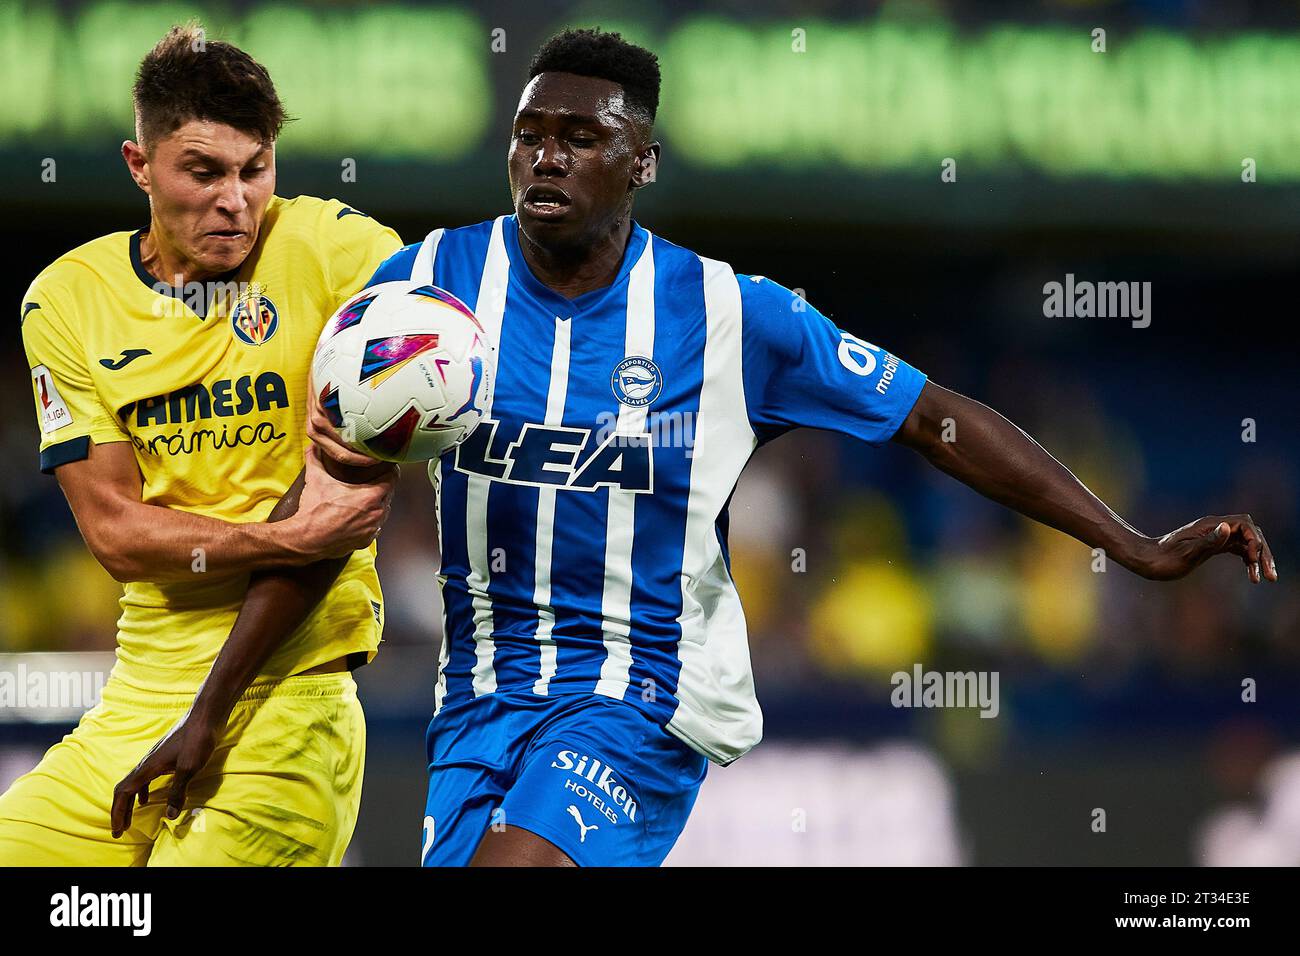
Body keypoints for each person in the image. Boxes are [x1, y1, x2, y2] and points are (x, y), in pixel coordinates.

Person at [190, 28, 1281, 867]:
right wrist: (208, 711)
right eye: (530, 133)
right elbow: (316, 515)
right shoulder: (422, 292)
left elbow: (932, 417)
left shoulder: (728, 315)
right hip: (479, 695)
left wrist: (1129, 544)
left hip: (647, 692)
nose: (545, 157)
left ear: (642, 160)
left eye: (581, 137)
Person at [0, 24, 400, 866]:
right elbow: (116, 534)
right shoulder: (70, 299)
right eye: (204, 171)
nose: (237, 200)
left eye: (256, 169)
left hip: (291, 696)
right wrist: (279, 537)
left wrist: (211, 713)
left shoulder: (339, 252)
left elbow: (342, 505)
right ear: (139, 165)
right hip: (139, 692)